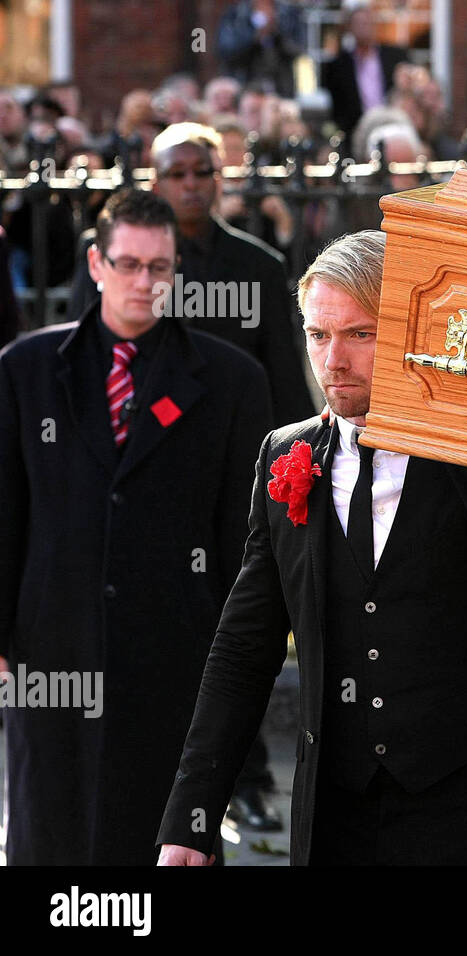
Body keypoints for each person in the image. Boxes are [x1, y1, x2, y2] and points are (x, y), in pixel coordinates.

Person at [156, 231, 467, 865]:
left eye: (360, 334)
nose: (333, 360)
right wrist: (192, 817)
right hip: (336, 816)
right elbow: (244, 645)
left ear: (407, 331)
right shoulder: (284, 456)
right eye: (318, 335)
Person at [0, 189, 272, 865]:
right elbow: (4, 512)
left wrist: (230, 656)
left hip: (175, 656)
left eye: (159, 267)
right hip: (52, 650)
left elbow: (245, 540)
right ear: (95, 264)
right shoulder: (25, 370)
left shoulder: (232, 381)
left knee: (162, 839)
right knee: (50, 833)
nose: (144, 283)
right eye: (128, 264)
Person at [68, 123, 314, 427]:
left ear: (218, 180)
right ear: (156, 184)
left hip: (229, 427)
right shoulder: (111, 253)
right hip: (136, 425)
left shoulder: (261, 266)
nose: (190, 184)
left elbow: (283, 376)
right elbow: (83, 348)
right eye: (177, 174)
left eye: (201, 172)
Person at [320, 4, 408, 157]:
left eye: (367, 23)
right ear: (349, 27)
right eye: (358, 24)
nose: (363, 28)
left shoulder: (395, 57)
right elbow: (336, 111)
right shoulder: (338, 66)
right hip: (355, 134)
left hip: (393, 126)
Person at [217, 0, 304, 99]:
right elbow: (226, 51)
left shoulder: (288, 13)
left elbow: (298, 50)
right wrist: (255, 36)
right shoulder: (236, 14)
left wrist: (275, 32)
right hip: (244, 85)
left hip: (281, 88)